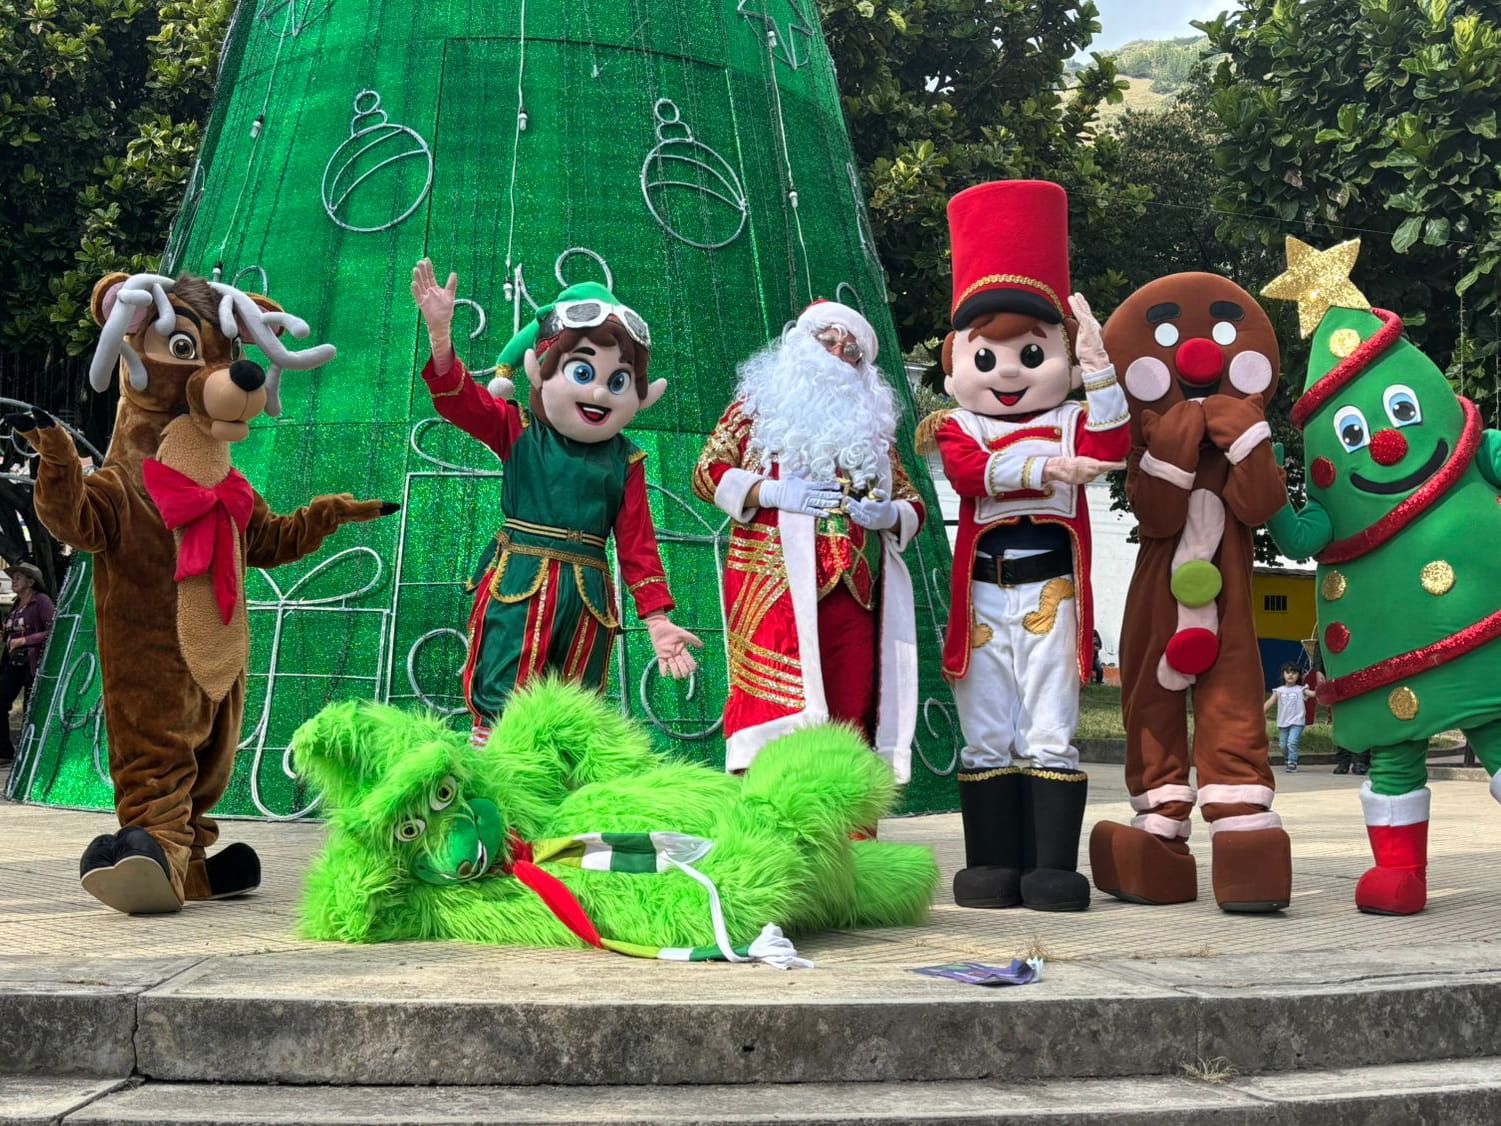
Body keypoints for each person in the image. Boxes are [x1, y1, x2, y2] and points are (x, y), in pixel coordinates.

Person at [922, 180, 1129, 912]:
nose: (1007, 371)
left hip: (1050, 588)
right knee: (985, 726)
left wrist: (1101, 368)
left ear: (1063, 359)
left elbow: (1112, 444)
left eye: (1030, 352)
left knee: (1047, 721)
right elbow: (968, 474)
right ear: (955, 364)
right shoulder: (956, 425)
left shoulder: (1075, 415)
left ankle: (1049, 868)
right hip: (980, 589)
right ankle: (989, 865)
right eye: (987, 357)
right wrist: (1045, 469)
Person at [412, 261, 702, 748]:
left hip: (587, 594)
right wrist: (441, 336)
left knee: (574, 708)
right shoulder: (518, 427)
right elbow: (457, 400)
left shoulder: (626, 459)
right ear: (540, 371)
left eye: (617, 381)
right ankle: (493, 805)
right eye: (583, 371)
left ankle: (557, 809)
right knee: (503, 696)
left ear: (639, 394)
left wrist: (657, 618)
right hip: (520, 582)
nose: (597, 392)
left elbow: (637, 546)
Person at [693, 300, 924, 787]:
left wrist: (891, 514)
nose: (839, 353)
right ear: (802, 343)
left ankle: (852, 846)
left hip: (854, 594)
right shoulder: (756, 407)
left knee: (850, 714)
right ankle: (768, 839)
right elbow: (706, 474)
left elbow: (912, 502)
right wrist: (771, 491)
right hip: (775, 590)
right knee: (776, 714)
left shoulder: (873, 430)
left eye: (851, 350)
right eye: (829, 341)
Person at [0, 562, 54, 764]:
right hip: (12, 662)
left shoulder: (41, 601)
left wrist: (25, 640)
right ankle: (5, 751)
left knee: (29, 707)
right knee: (1, 701)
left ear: (31, 582)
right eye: (13, 578)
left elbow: (54, 630)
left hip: (32, 663)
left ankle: (29, 754)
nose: (13, 581)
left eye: (18, 577)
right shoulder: (15, 604)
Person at [1264, 663, 1313, 773]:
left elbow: (1312, 694)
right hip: (1283, 722)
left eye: (1294, 673)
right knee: (1282, 745)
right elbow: (1270, 701)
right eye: (1287, 672)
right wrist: (1260, 712)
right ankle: (1287, 758)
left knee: (1292, 742)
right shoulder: (1279, 690)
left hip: (1297, 721)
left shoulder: (1301, 689)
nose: (1290, 675)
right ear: (1283, 675)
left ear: (1299, 676)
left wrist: (1322, 689)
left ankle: (1292, 762)